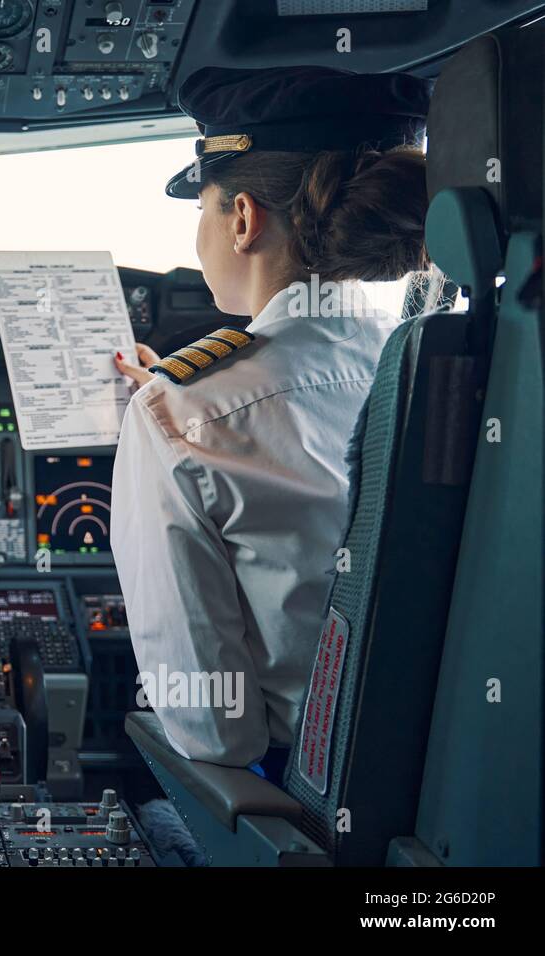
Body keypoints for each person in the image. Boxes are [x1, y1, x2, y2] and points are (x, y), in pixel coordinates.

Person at [108, 65, 435, 779]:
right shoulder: (447, 369)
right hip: (455, 784)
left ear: (244, 218)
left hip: (304, 803)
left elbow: (212, 731)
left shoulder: (179, 415)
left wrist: (164, 418)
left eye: (203, 208)